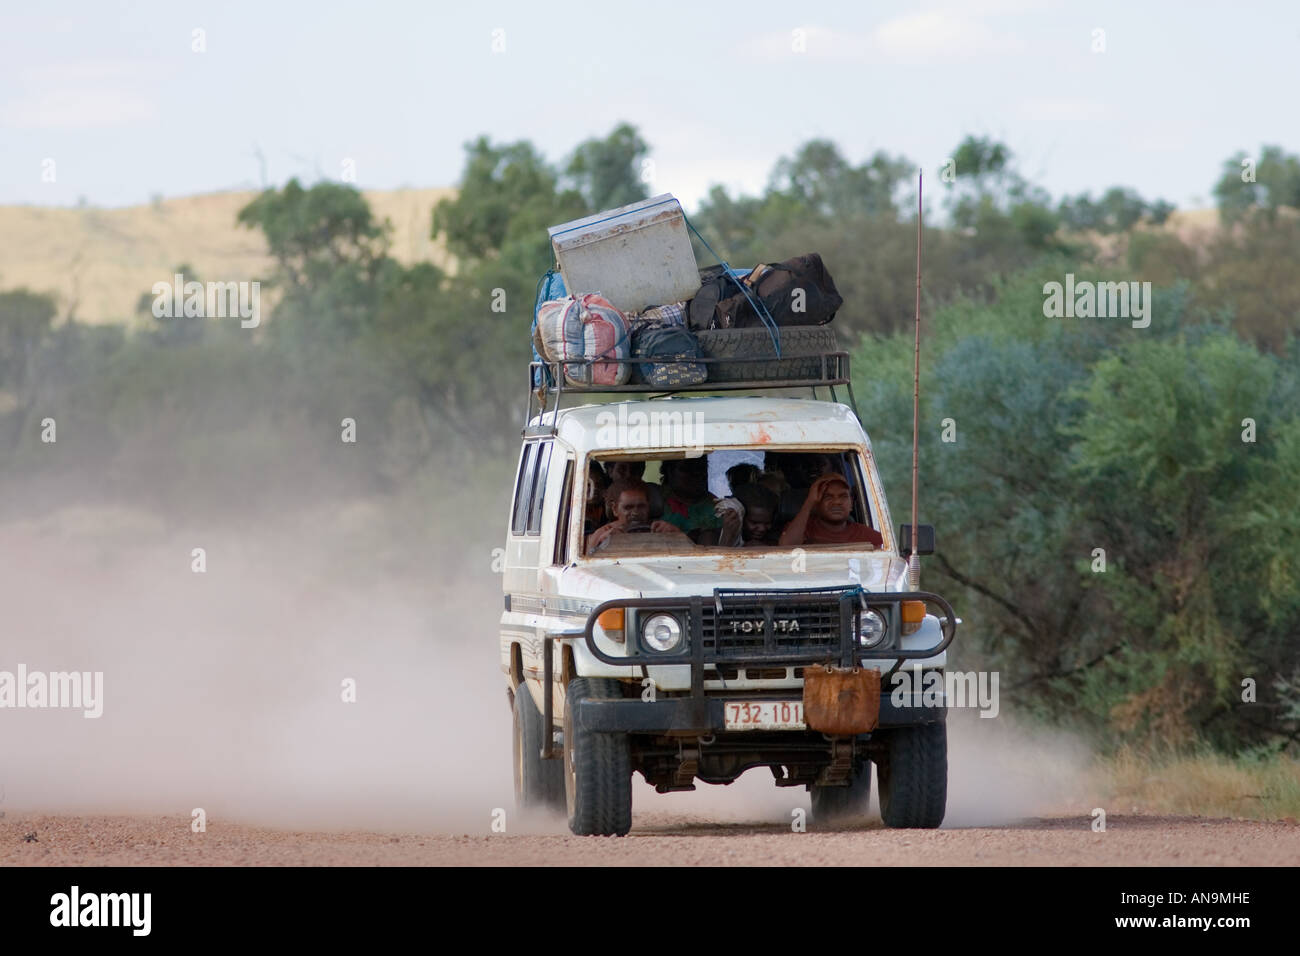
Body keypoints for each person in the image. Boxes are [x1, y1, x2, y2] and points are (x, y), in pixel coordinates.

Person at [778, 473, 883, 548]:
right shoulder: (803, 529)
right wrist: (809, 503)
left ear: (851, 503)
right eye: (828, 497)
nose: (837, 502)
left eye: (843, 496)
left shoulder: (866, 535)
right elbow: (786, 547)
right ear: (816, 503)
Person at [586, 479, 688, 553]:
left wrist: (677, 535)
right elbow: (588, 566)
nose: (635, 512)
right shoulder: (603, 534)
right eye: (628, 507)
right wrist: (605, 543)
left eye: (641, 506)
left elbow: (689, 556)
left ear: (649, 505)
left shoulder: (662, 529)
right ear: (614, 509)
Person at [659, 457, 740, 545]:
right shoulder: (654, 498)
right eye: (687, 468)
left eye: (701, 468)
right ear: (670, 471)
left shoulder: (718, 509)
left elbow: (711, 553)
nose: (696, 473)